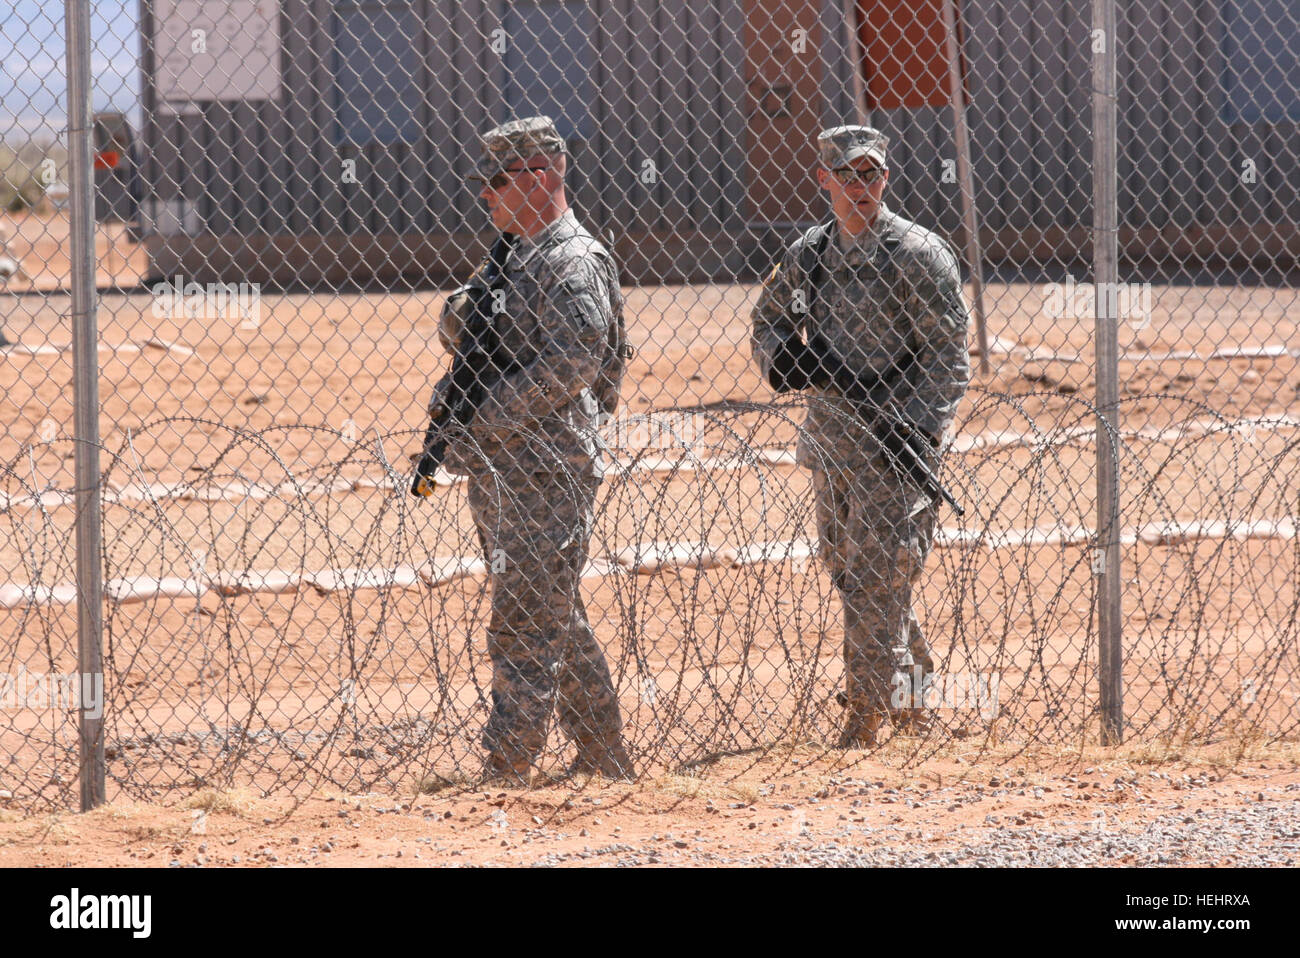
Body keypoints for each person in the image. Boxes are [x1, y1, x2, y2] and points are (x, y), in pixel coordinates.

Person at [412, 116, 631, 783]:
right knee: (550, 608)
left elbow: (577, 364)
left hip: (547, 467)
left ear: (539, 177)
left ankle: (508, 764)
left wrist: (485, 419)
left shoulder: (569, 260)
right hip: (506, 466)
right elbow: (476, 338)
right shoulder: (512, 255)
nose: (486, 195)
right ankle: (603, 754)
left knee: (522, 623)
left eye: (497, 181)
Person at [750, 125, 971, 747]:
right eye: (847, 175)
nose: (861, 187)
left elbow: (949, 358)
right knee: (858, 579)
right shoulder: (808, 256)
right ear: (824, 179)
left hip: (894, 449)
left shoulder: (918, 255)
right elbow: (766, 320)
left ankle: (864, 717)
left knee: (876, 578)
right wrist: (782, 361)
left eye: (871, 175)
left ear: (886, 179)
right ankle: (915, 697)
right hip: (830, 443)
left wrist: (918, 427)